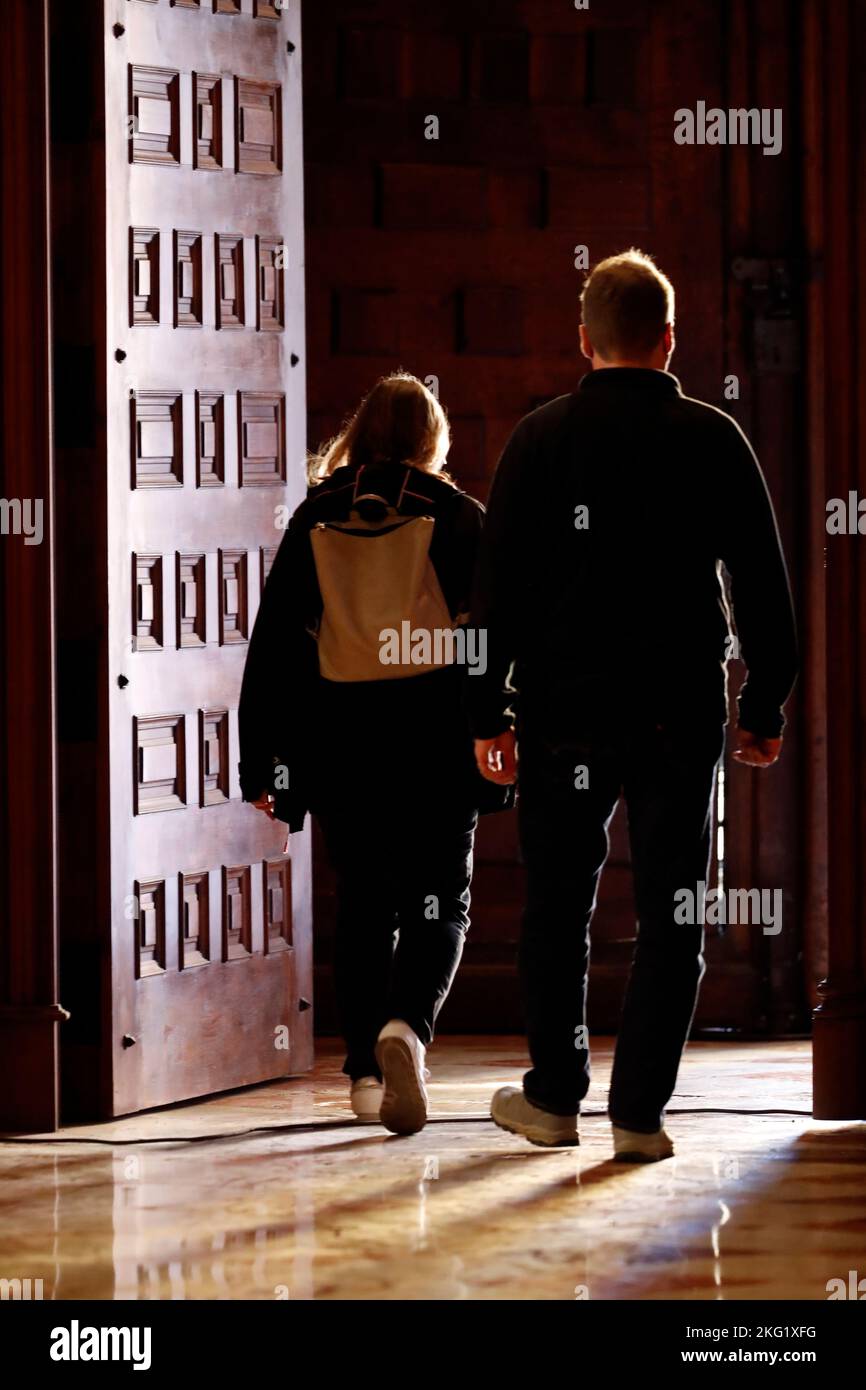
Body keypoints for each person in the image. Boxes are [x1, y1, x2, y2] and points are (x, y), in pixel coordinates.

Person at [468, 249, 798, 1159]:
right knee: (673, 911)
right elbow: (765, 586)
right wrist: (762, 707)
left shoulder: (538, 439)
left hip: (564, 709)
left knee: (557, 908)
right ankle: (639, 1115)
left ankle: (555, 1095)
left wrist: (484, 711)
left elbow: (496, 596)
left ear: (585, 339)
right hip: (675, 709)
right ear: (669, 339)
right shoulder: (712, 438)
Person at [238, 373, 502, 1135]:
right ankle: (407, 1030)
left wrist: (268, 768)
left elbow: (277, 649)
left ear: (360, 432)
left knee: (362, 903)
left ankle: (359, 1070)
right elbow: (489, 639)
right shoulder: (456, 516)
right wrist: (499, 728)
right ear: (433, 439)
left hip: (342, 736)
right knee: (439, 899)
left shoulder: (314, 515)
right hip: (437, 735)